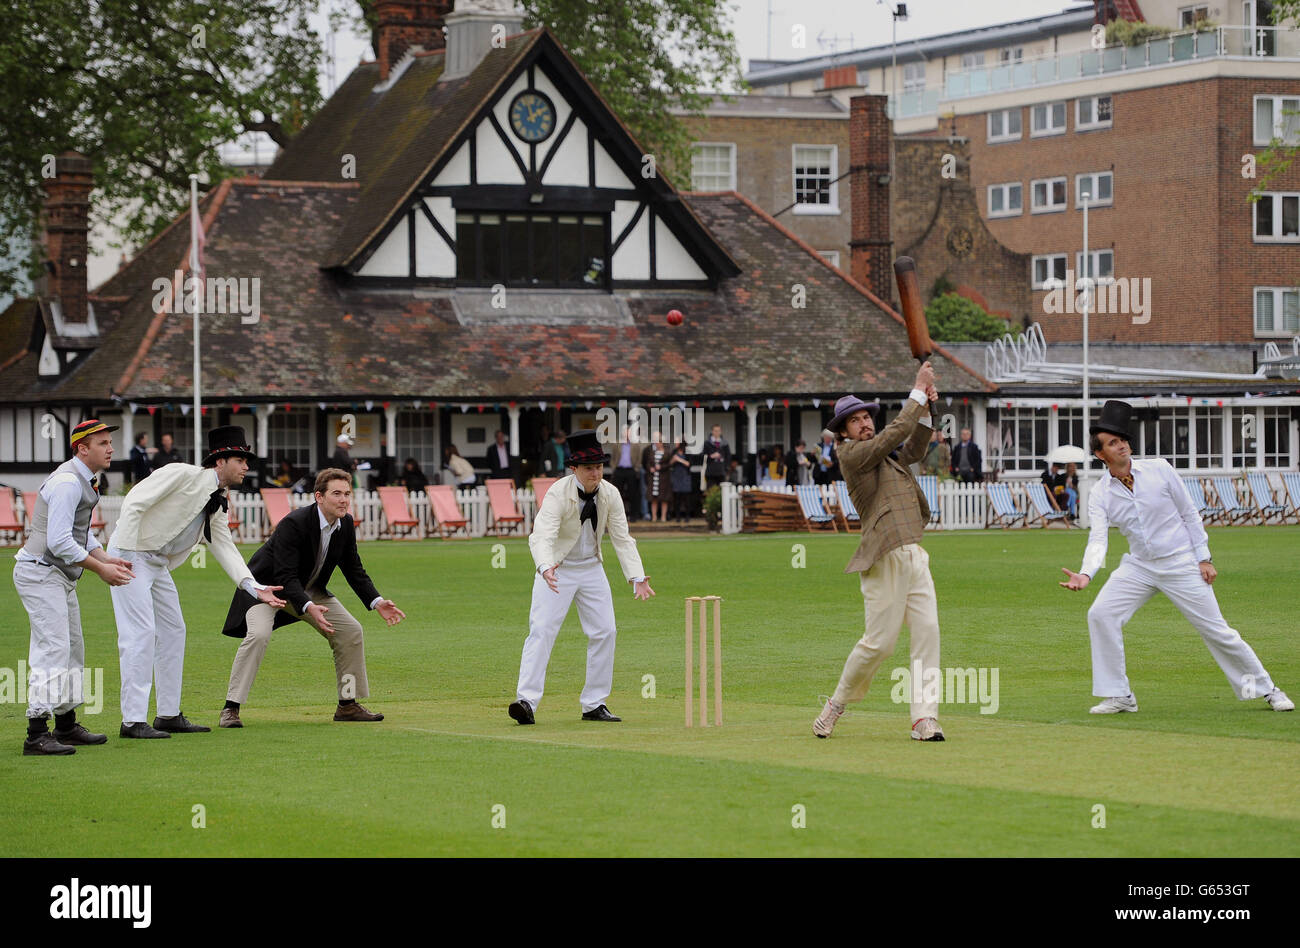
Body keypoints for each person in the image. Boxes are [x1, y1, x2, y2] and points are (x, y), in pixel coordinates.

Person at [1058, 400, 1292, 714]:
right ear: (1100, 454)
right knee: (1100, 614)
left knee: (1217, 631)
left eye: (1123, 439)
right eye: (1112, 443)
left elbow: (1189, 514)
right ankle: (1119, 695)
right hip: (1139, 566)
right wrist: (1086, 574)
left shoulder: (1160, 469)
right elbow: (1098, 538)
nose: (1122, 445)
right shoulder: (1100, 492)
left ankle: (1268, 690)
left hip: (1181, 561)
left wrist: (1204, 557)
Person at [107, 426, 286, 738]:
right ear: (219, 461)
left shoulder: (217, 500)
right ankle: (133, 720)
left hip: (157, 562)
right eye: (240, 459)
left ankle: (168, 714)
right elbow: (134, 501)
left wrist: (254, 587)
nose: (246, 466)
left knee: (174, 629)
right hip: (130, 554)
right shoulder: (180, 472)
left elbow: (224, 548)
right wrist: (121, 554)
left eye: (246, 460)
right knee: (141, 633)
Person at [813, 361, 946, 742]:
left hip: (914, 553)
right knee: (880, 644)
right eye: (854, 421)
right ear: (842, 433)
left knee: (928, 632)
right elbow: (897, 432)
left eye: (865, 417)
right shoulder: (852, 456)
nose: (864, 424)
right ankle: (836, 705)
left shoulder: (887, 456)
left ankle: (924, 719)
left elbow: (916, 444)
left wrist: (928, 407)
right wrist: (918, 391)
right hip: (883, 556)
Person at [219, 468, 406, 727]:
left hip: (309, 588)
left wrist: (377, 601)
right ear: (319, 496)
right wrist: (308, 607)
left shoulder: (346, 524)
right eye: (337, 494)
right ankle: (231, 708)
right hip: (267, 590)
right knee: (259, 635)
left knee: (351, 631)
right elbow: (285, 575)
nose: (344, 500)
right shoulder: (293, 523)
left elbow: (354, 569)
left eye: (347, 494)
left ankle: (348, 706)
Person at [509, 430, 654, 725]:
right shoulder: (557, 493)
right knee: (542, 631)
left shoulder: (610, 493)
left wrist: (636, 575)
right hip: (557, 569)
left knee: (606, 631)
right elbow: (542, 535)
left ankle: (594, 703)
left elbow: (623, 538)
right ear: (574, 468)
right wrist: (545, 566)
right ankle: (526, 701)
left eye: (599, 467)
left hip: (591, 568)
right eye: (589, 468)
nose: (596, 473)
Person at [15, 420, 135, 755]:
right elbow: (59, 542)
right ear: (82, 448)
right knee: (52, 649)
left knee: (71, 648)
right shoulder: (68, 482)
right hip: (41, 573)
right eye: (103, 443)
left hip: (55, 575)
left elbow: (80, 532)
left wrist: (107, 559)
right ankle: (36, 733)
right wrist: (100, 569)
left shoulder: (82, 479)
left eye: (110, 442)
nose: (111, 448)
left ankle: (65, 726)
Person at [610, 426, 641, 521]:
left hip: (631, 471)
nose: (627, 435)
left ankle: (633, 516)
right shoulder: (616, 444)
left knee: (633, 494)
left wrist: (636, 469)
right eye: (625, 432)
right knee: (617, 494)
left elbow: (639, 459)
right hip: (619, 471)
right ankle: (617, 516)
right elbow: (613, 458)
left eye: (629, 433)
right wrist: (614, 468)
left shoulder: (635, 445)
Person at [642, 432, 669, 522]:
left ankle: (663, 517)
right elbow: (646, 463)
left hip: (664, 478)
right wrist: (650, 469)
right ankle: (654, 517)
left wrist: (661, 467)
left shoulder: (667, 451)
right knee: (654, 498)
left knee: (664, 498)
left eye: (659, 442)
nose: (657, 443)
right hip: (653, 478)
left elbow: (669, 464)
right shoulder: (650, 451)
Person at [669, 440, 693, 523]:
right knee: (677, 498)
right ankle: (677, 516)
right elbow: (670, 463)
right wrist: (673, 460)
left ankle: (687, 516)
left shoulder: (688, 453)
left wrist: (679, 459)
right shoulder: (674, 452)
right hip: (676, 476)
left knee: (686, 498)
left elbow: (689, 464)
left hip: (685, 477)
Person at [701, 425, 731, 490]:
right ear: (712, 431)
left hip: (721, 471)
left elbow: (728, 457)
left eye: (718, 431)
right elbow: (702, 456)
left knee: (722, 490)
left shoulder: (725, 443)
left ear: (721, 432)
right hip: (710, 471)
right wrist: (711, 456)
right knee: (710, 490)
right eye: (715, 431)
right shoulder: (707, 443)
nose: (717, 432)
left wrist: (726, 468)